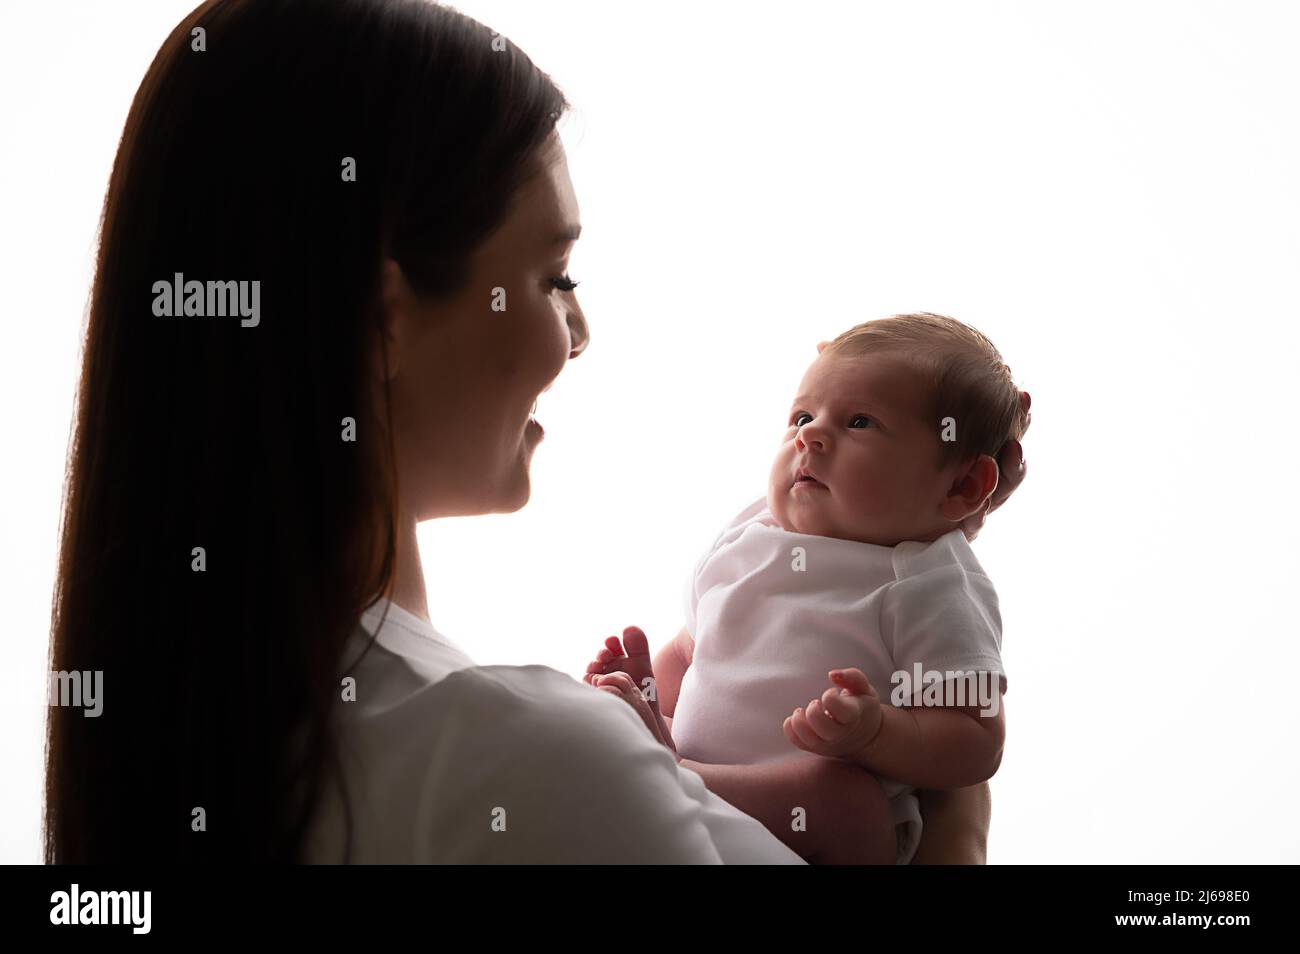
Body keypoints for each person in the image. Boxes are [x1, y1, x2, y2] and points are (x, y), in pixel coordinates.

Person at [44, 0, 1027, 864]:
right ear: (380, 317)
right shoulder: (532, 765)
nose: (579, 332)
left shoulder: (205, 733)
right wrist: (955, 827)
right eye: (555, 277)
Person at [585, 314, 1029, 864]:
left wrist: (877, 733)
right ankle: (664, 758)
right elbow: (692, 652)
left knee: (844, 798)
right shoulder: (751, 531)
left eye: (860, 422)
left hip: (817, 822)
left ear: (963, 485)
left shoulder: (931, 582)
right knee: (597, 718)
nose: (808, 435)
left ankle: (669, 774)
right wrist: (647, 690)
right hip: (703, 767)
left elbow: (975, 741)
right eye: (802, 415)